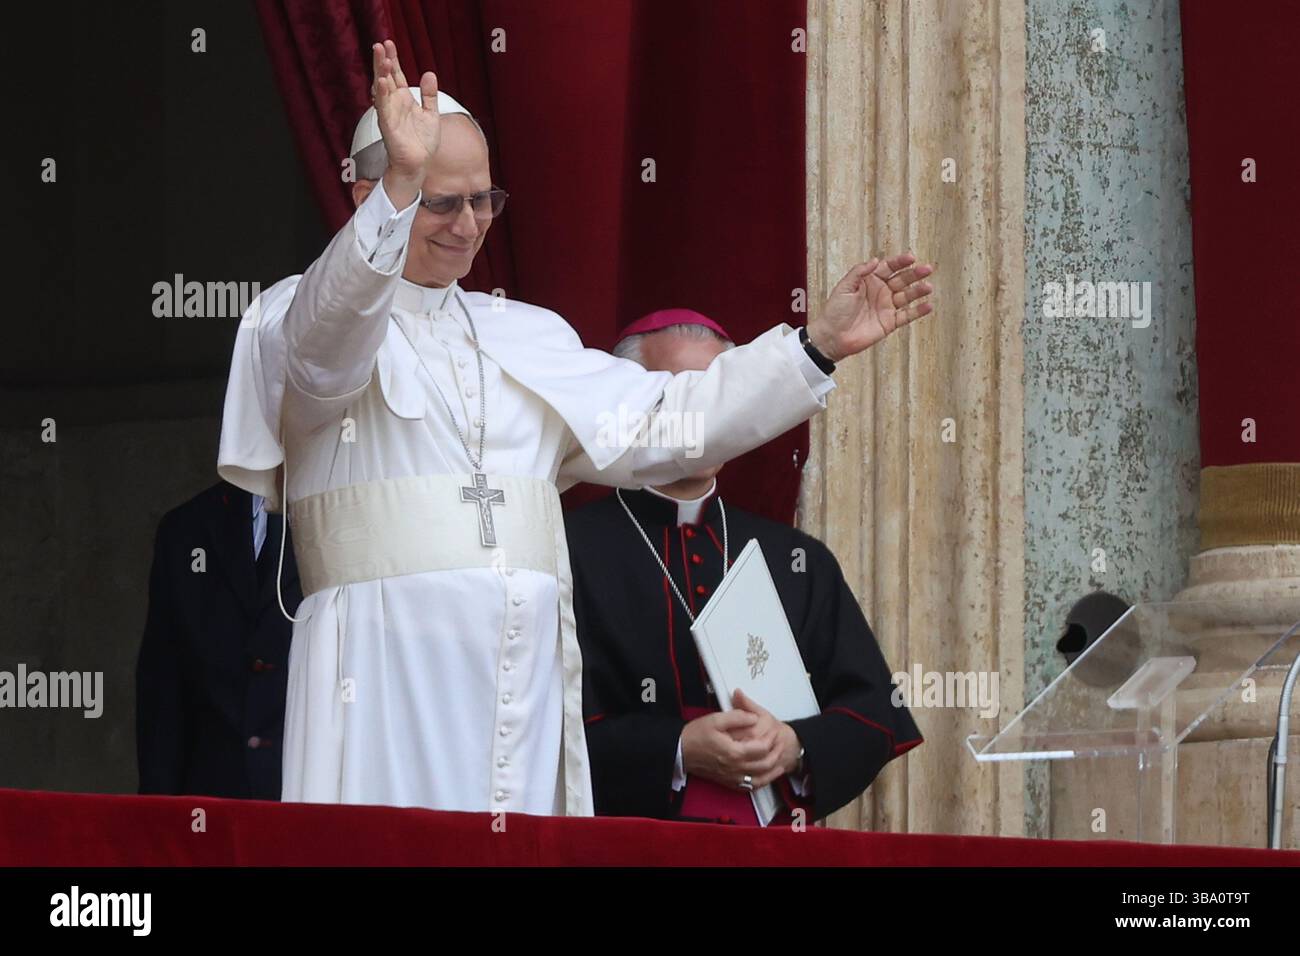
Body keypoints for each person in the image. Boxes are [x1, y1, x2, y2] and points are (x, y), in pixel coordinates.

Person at [216, 41, 935, 816]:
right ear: (368, 199)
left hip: (518, 699)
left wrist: (813, 346)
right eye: (440, 201)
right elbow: (327, 355)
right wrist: (399, 183)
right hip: (379, 677)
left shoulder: (530, 336)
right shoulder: (293, 315)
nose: (469, 226)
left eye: (483, 200)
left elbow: (674, 420)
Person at [567, 310, 922, 824]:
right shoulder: (568, 548)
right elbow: (537, 733)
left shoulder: (796, 559)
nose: (704, 419)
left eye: (719, 397)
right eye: (679, 397)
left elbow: (872, 713)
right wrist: (677, 748)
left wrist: (795, 745)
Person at [136, 479, 301, 799]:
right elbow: (163, 697)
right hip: (211, 815)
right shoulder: (185, 529)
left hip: (321, 808)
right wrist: (157, 826)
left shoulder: (361, 513)